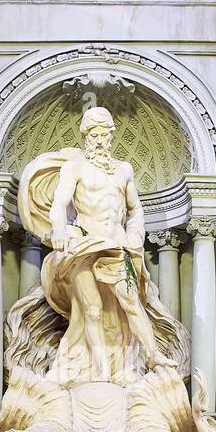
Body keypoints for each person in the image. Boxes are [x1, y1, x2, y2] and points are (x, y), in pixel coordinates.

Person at [41, 106, 177, 382]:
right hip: (84, 247)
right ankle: (102, 373)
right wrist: (57, 229)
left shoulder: (123, 170)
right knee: (91, 310)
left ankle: (152, 354)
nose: (100, 140)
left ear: (112, 135)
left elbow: (136, 209)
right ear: (86, 136)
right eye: (94, 134)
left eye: (104, 134)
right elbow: (59, 204)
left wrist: (135, 233)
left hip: (117, 246)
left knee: (131, 302)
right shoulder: (74, 168)